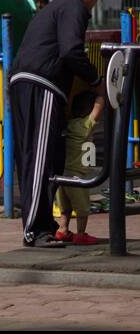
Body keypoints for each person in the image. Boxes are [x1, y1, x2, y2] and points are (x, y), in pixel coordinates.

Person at [9, 0, 107, 248]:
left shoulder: (54, 8)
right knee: (40, 159)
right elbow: (71, 51)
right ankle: (35, 230)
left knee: (47, 158)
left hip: (27, 82)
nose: (95, 0)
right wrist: (96, 80)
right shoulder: (74, 8)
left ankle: (43, 225)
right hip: (42, 85)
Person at [53, 89, 106, 245]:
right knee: (82, 207)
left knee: (65, 206)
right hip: (76, 177)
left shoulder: (68, 124)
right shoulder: (84, 126)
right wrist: (103, 90)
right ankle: (81, 234)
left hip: (62, 175)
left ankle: (62, 230)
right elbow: (100, 106)